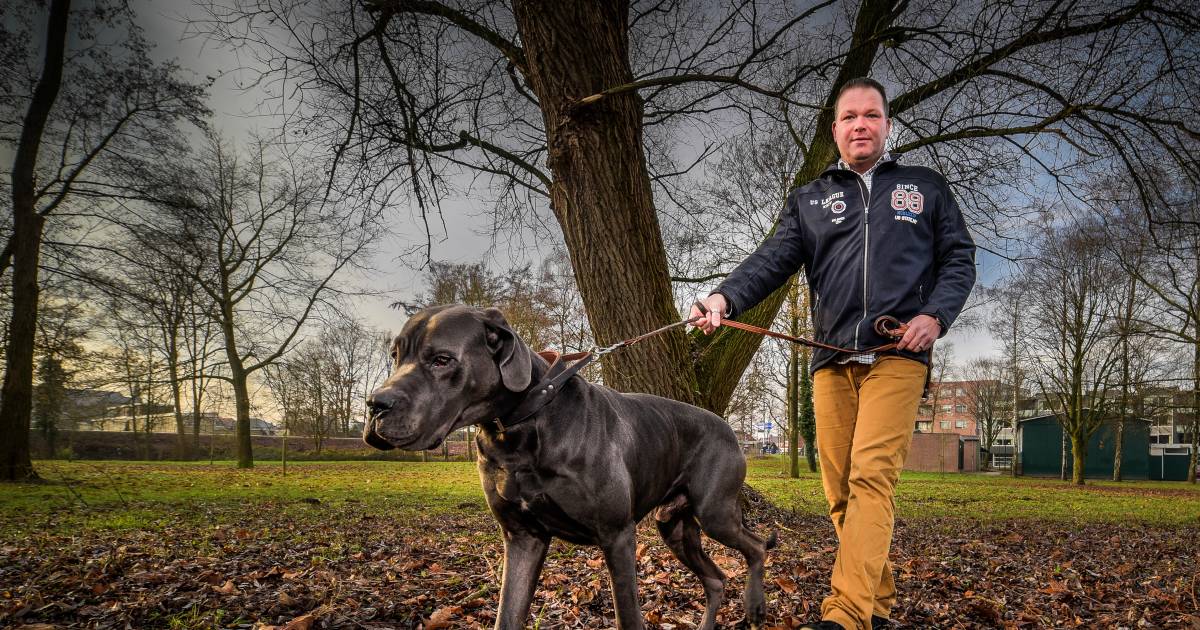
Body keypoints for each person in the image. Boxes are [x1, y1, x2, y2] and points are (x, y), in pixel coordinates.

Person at [691, 77, 976, 630]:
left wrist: (934, 316)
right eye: (850, 117)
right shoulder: (811, 198)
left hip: (896, 356)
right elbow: (772, 258)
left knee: (871, 477)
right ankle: (878, 605)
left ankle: (844, 614)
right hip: (830, 360)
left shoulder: (926, 187)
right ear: (836, 130)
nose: (861, 125)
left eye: (871, 115)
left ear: (887, 125)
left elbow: (959, 260)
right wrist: (725, 296)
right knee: (841, 492)